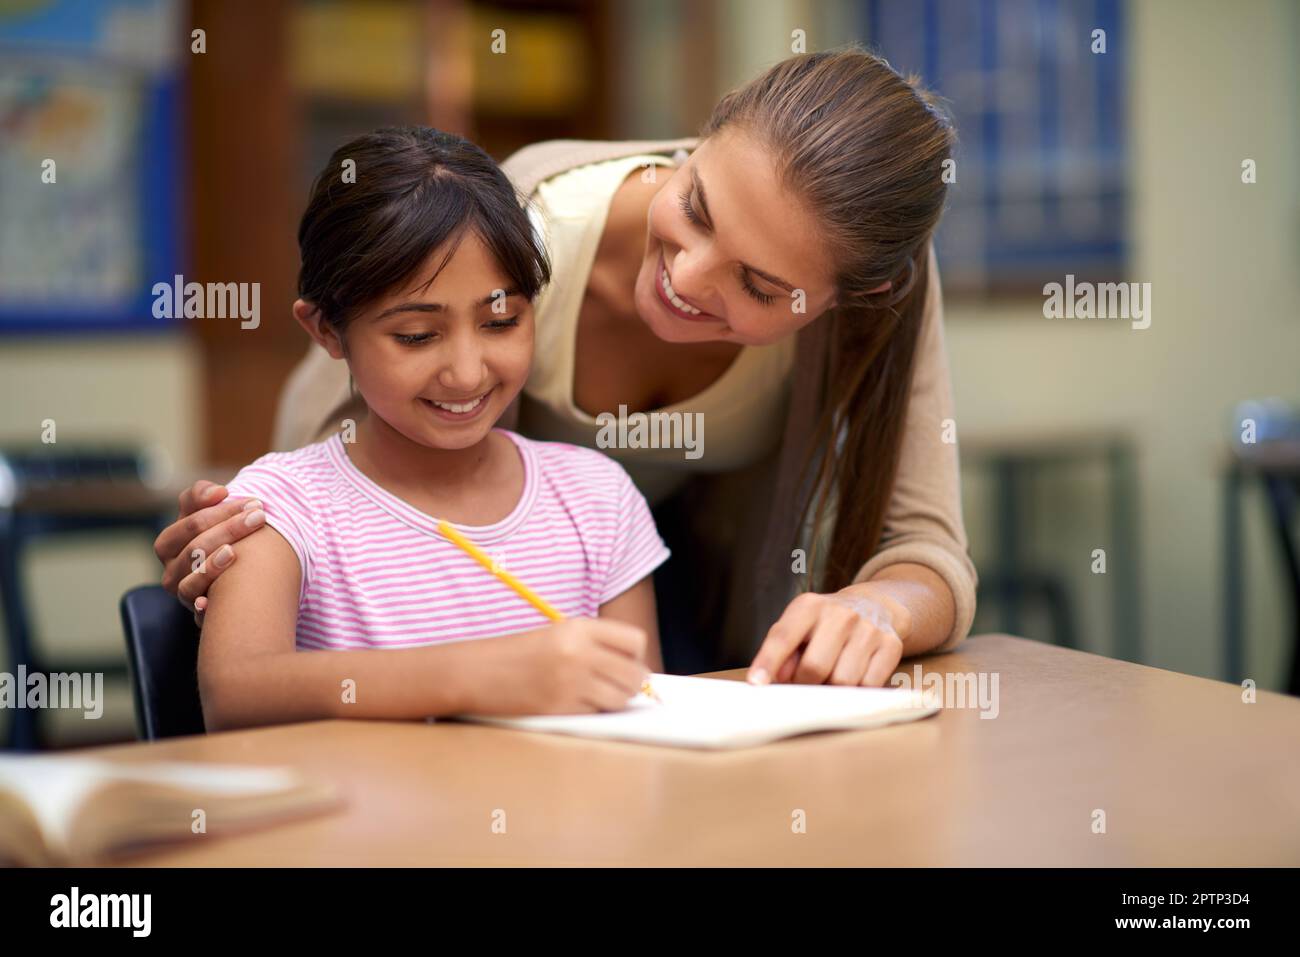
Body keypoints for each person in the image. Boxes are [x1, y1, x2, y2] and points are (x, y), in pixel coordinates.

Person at [157, 46, 978, 689]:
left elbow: (926, 549)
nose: (686, 279)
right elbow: (347, 495)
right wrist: (257, 544)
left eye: (759, 285)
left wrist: (879, 608)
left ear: (856, 292)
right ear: (700, 135)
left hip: (664, 615)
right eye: (694, 208)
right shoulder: (516, 228)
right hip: (454, 632)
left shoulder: (881, 290)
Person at [198, 128, 668, 731]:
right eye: (417, 336)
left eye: (501, 322)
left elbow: (644, 713)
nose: (467, 372)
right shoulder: (281, 508)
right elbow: (234, 693)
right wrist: (479, 676)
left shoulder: (597, 498)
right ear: (327, 332)